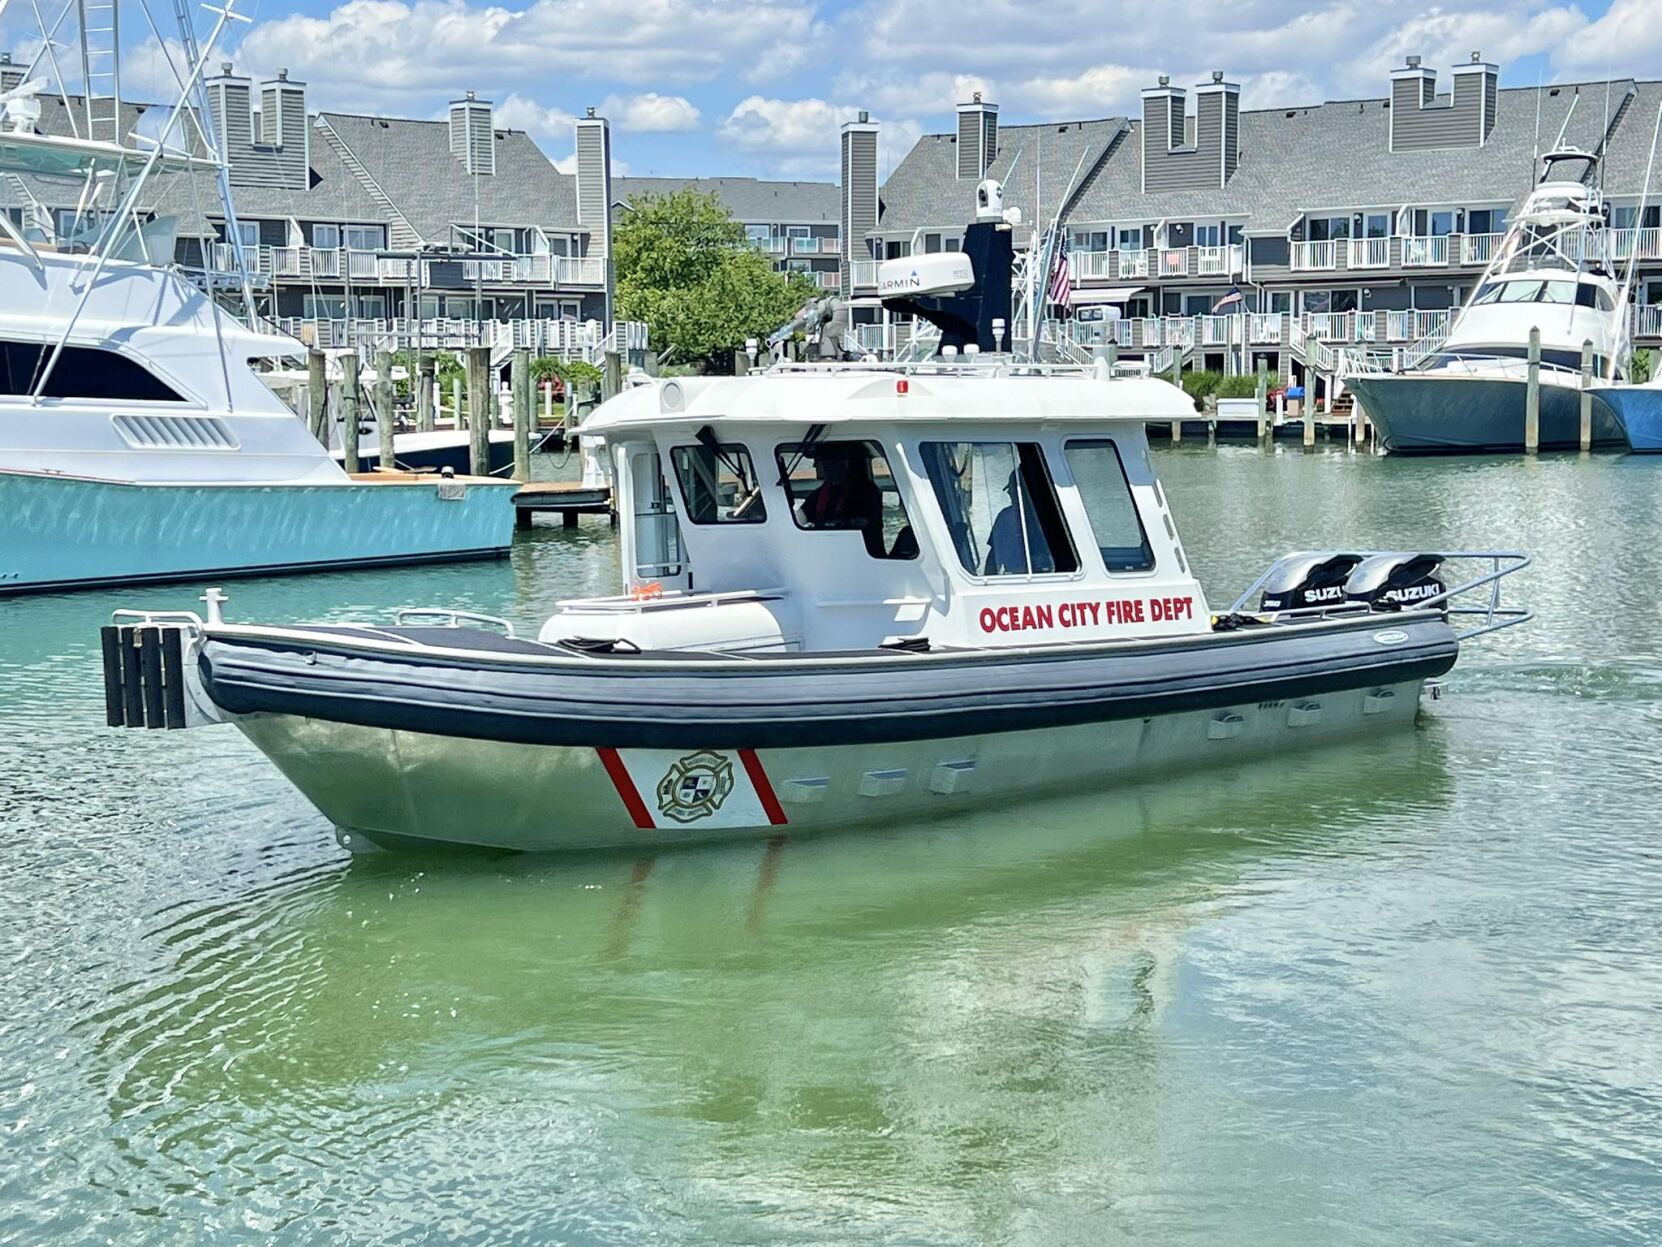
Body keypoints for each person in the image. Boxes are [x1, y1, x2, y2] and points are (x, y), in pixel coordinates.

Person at [801, 448, 886, 557]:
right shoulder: (818, 495)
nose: (828, 469)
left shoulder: (867, 490)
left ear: (846, 464)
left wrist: (838, 523)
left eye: (833, 464)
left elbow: (865, 521)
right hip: (826, 555)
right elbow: (801, 516)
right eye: (823, 465)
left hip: (863, 555)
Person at [985, 469, 1054, 575]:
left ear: (1019, 492)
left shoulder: (1006, 517)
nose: (1009, 493)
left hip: (1016, 579)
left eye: (1011, 489)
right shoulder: (1051, 516)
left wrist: (988, 586)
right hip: (1050, 575)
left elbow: (993, 559)